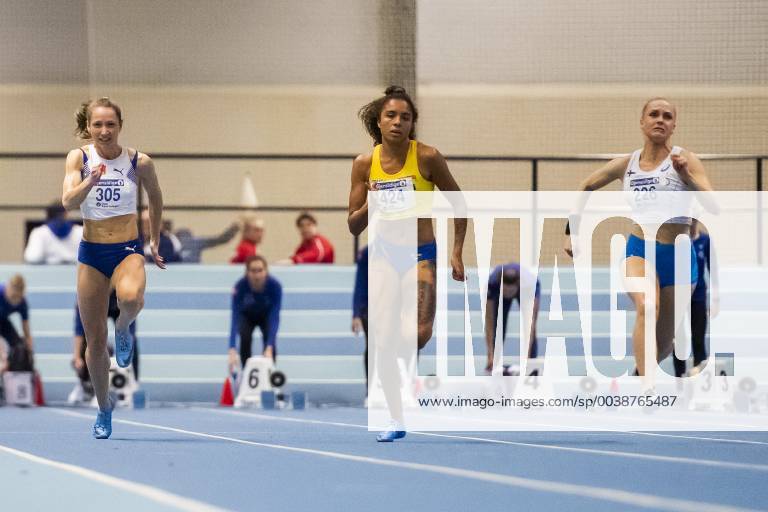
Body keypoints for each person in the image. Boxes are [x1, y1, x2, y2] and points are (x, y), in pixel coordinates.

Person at [564, 97, 714, 378]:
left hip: (679, 257)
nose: (660, 119)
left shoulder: (686, 159)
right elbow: (586, 185)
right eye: (654, 114)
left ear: (673, 126)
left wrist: (686, 176)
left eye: (667, 116)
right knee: (647, 304)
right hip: (639, 250)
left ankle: (636, 378)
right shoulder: (626, 164)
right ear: (642, 122)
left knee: (664, 345)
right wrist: (571, 231)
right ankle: (646, 389)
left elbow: (714, 205)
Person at [347, 86, 466, 441]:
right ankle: (395, 416)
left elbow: (459, 204)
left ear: (412, 123)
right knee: (381, 336)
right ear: (379, 122)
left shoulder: (427, 157)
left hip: (421, 254)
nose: (398, 122)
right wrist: (372, 203)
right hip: (383, 254)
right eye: (391, 116)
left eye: (405, 117)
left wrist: (457, 252)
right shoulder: (364, 164)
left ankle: (401, 369)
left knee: (417, 333)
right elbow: (353, 224)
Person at [62, 97, 165, 439]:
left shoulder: (139, 161)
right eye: (98, 125)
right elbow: (68, 201)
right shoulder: (79, 158)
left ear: (120, 126)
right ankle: (104, 407)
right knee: (94, 342)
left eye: (110, 124)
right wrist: (89, 182)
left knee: (132, 297)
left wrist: (154, 239)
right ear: (88, 128)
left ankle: (124, 326)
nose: (104, 131)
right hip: (92, 252)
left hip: (127, 248)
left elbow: (156, 197)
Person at [69, 291, 139, 404]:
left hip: (121, 300)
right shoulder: (86, 294)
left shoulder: (126, 292)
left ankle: (130, 385)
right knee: (91, 342)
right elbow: (79, 330)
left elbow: (129, 333)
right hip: (95, 299)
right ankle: (85, 384)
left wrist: (121, 362)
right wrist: (77, 356)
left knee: (129, 343)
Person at [672, 218, 718, 377]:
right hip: (678, 295)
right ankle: (680, 376)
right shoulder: (676, 240)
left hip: (698, 295)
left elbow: (713, 269)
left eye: (694, 221)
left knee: (698, 338)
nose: (691, 225)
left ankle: (700, 375)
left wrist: (716, 299)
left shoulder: (705, 240)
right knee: (679, 339)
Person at [227, 255, 282, 373]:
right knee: (245, 338)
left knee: (271, 345)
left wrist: (269, 346)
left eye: (260, 270)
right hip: (247, 316)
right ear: (247, 273)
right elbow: (235, 317)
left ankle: (270, 376)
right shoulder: (239, 287)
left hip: (266, 316)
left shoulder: (275, 286)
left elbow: (274, 316)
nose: (257, 275)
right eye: (253, 271)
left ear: (266, 271)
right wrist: (232, 348)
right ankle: (247, 374)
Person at [484, 262, 540, 376]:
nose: (508, 295)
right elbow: (489, 321)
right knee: (498, 327)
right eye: (505, 292)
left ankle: (531, 363)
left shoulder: (529, 285)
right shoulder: (492, 283)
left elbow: (530, 324)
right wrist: (490, 354)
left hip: (527, 289)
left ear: (517, 285)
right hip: (499, 290)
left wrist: (527, 360)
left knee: (531, 327)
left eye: (511, 292)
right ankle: (493, 362)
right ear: (500, 285)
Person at [0, 275, 34, 373]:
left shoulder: (22, 303)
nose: (15, 301)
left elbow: (26, 331)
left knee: (19, 346)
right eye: (13, 297)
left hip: (2, 320)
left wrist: (30, 353)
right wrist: (2, 357)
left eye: (18, 297)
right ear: (8, 289)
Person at [351, 245, 369, 400]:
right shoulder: (367, 252)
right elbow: (360, 283)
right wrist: (356, 314)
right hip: (371, 306)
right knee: (373, 346)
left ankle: (406, 389)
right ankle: (370, 390)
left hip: (398, 304)